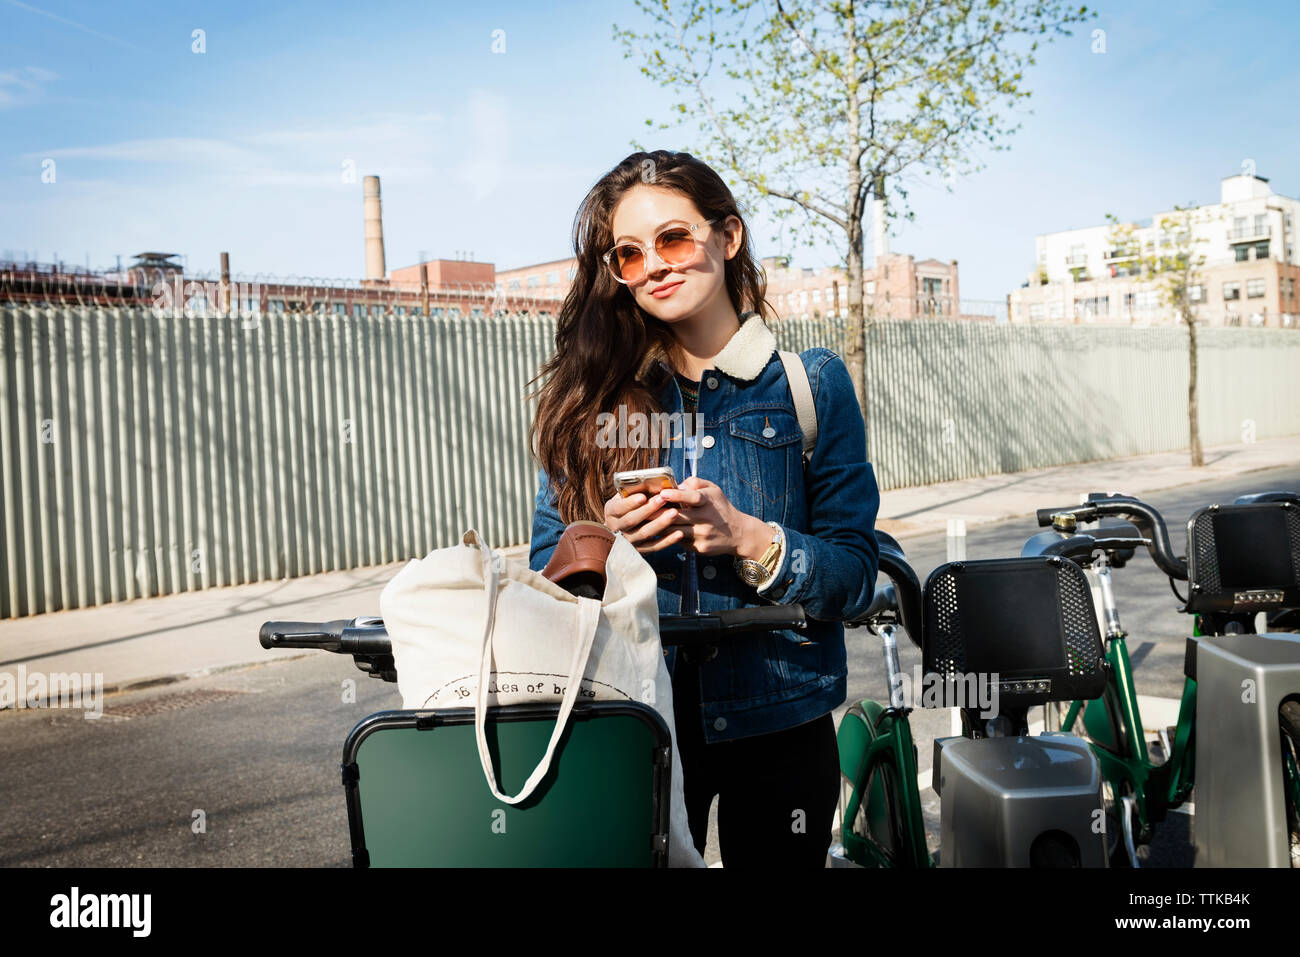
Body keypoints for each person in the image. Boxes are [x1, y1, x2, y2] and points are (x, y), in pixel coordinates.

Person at [527, 149, 880, 867]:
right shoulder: (592, 399)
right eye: (628, 253)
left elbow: (855, 577)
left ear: (728, 236)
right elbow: (545, 568)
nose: (652, 264)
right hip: (637, 716)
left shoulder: (809, 385)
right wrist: (603, 544)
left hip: (782, 718)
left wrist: (752, 538)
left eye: (673, 238)